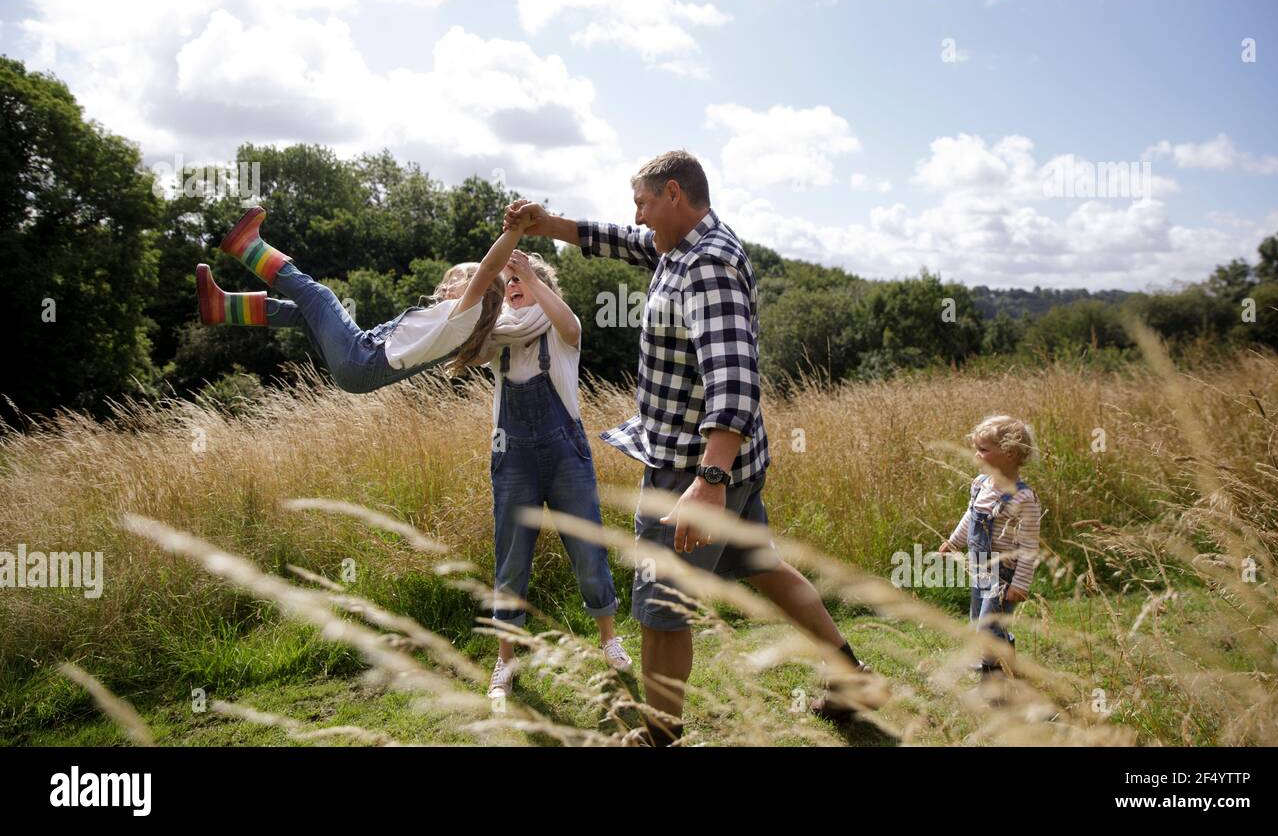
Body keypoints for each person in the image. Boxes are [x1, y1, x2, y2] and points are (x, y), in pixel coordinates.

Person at [503, 150, 868, 744]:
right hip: (724, 465)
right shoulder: (679, 246)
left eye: (644, 202)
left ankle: (661, 733)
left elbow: (734, 376)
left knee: (660, 603)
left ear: (674, 193)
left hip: (693, 469)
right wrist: (550, 225)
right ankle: (853, 678)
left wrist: (710, 482)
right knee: (761, 565)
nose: (638, 216)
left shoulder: (708, 265)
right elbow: (623, 240)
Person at [479, 250, 631, 700]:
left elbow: (572, 326)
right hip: (514, 460)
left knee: (589, 552)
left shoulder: (562, 334)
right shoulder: (496, 338)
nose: (512, 286)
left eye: (520, 280)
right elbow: (468, 344)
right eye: (507, 282)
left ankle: (609, 641)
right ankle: (505, 661)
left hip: (566, 455)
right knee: (510, 561)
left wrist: (527, 270)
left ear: (539, 285)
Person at [195, 205, 526, 389]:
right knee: (304, 313)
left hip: (362, 359)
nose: (445, 287)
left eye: (455, 280)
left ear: (477, 290)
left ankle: (247, 246)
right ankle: (222, 306)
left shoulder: (465, 313)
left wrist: (514, 230)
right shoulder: (460, 327)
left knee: (319, 295)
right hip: (360, 368)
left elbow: (488, 268)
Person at [939, 414, 1043, 679]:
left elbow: (1029, 545)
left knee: (988, 628)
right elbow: (970, 517)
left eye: (983, 450)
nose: (976, 454)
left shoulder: (1023, 498)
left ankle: (997, 680)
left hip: (1004, 576)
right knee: (980, 623)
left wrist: (1020, 584)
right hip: (980, 569)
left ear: (1009, 453)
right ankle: (998, 662)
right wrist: (954, 542)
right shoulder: (980, 485)